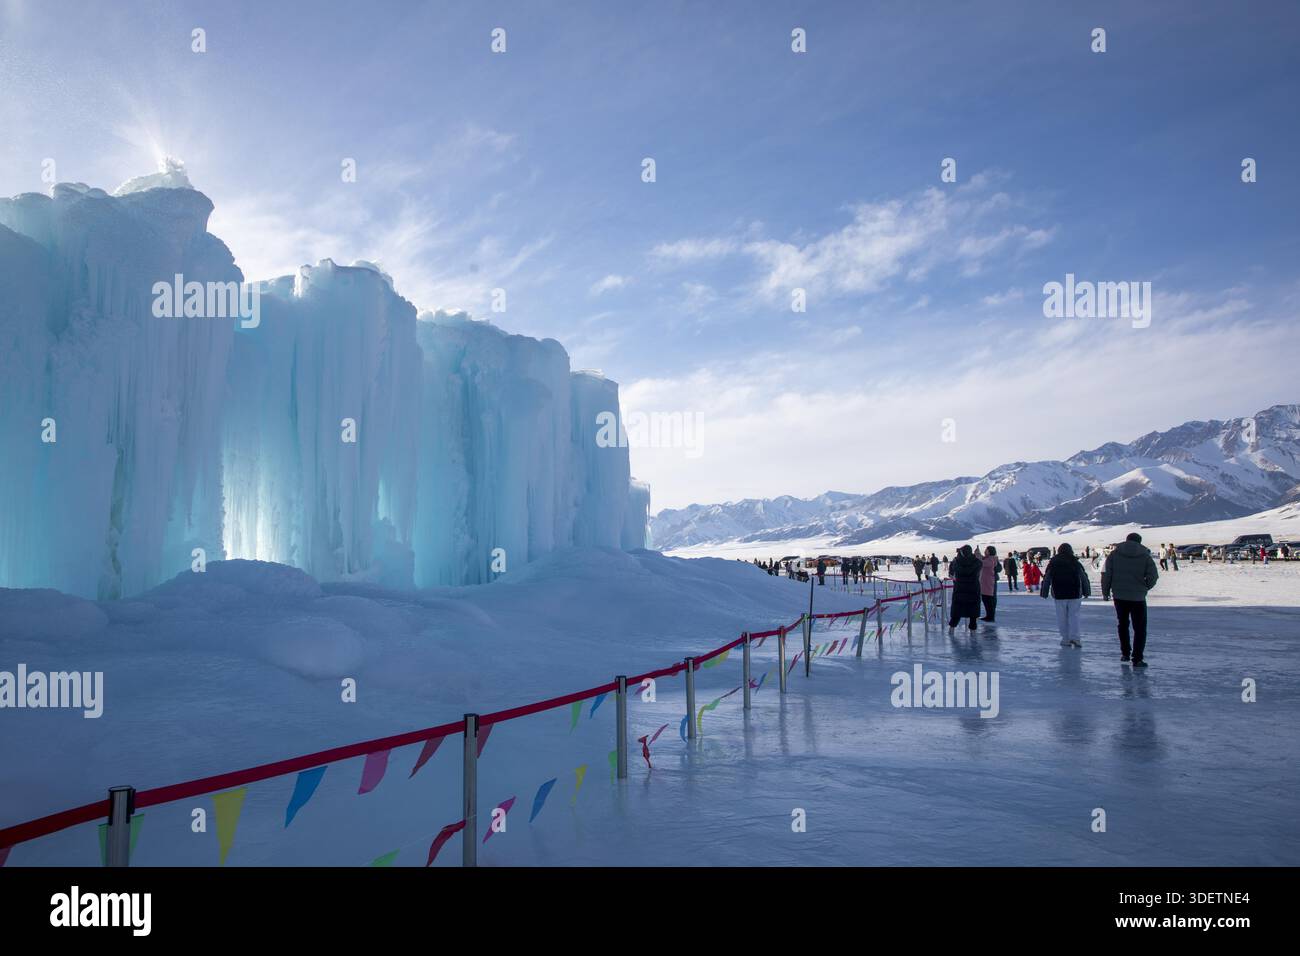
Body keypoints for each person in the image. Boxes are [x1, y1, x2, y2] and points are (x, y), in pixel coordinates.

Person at [1101, 532, 1159, 668]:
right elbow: (1153, 576)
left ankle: (1125, 653)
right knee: (1140, 628)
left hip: (1119, 595)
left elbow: (1107, 575)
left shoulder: (1114, 554)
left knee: (1122, 624)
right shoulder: (1145, 555)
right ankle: (1137, 658)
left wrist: (1106, 592)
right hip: (1138, 597)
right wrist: (1144, 587)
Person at [1041, 543, 1091, 647]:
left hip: (1059, 594)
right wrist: (1086, 591)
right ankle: (1076, 638)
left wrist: (1044, 591)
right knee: (1074, 616)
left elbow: (1047, 578)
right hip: (1075, 593)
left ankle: (1065, 638)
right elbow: (1083, 577)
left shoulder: (1054, 562)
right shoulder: (1074, 562)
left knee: (1062, 617)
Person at [947, 545, 983, 634]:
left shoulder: (955, 562)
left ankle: (952, 628)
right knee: (973, 610)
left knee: (957, 610)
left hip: (960, 588)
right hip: (973, 588)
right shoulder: (977, 562)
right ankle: (973, 630)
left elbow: (951, 574)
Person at [978, 546, 1000, 621]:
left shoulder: (991, 559)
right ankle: (989, 616)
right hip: (986, 582)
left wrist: (978, 556)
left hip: (988, 582)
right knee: (987, 599)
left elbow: (982, 562)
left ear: (990, 551)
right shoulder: (989, 558)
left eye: (986, 550)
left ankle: (990, 617)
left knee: (988, 599)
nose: (985, 551)